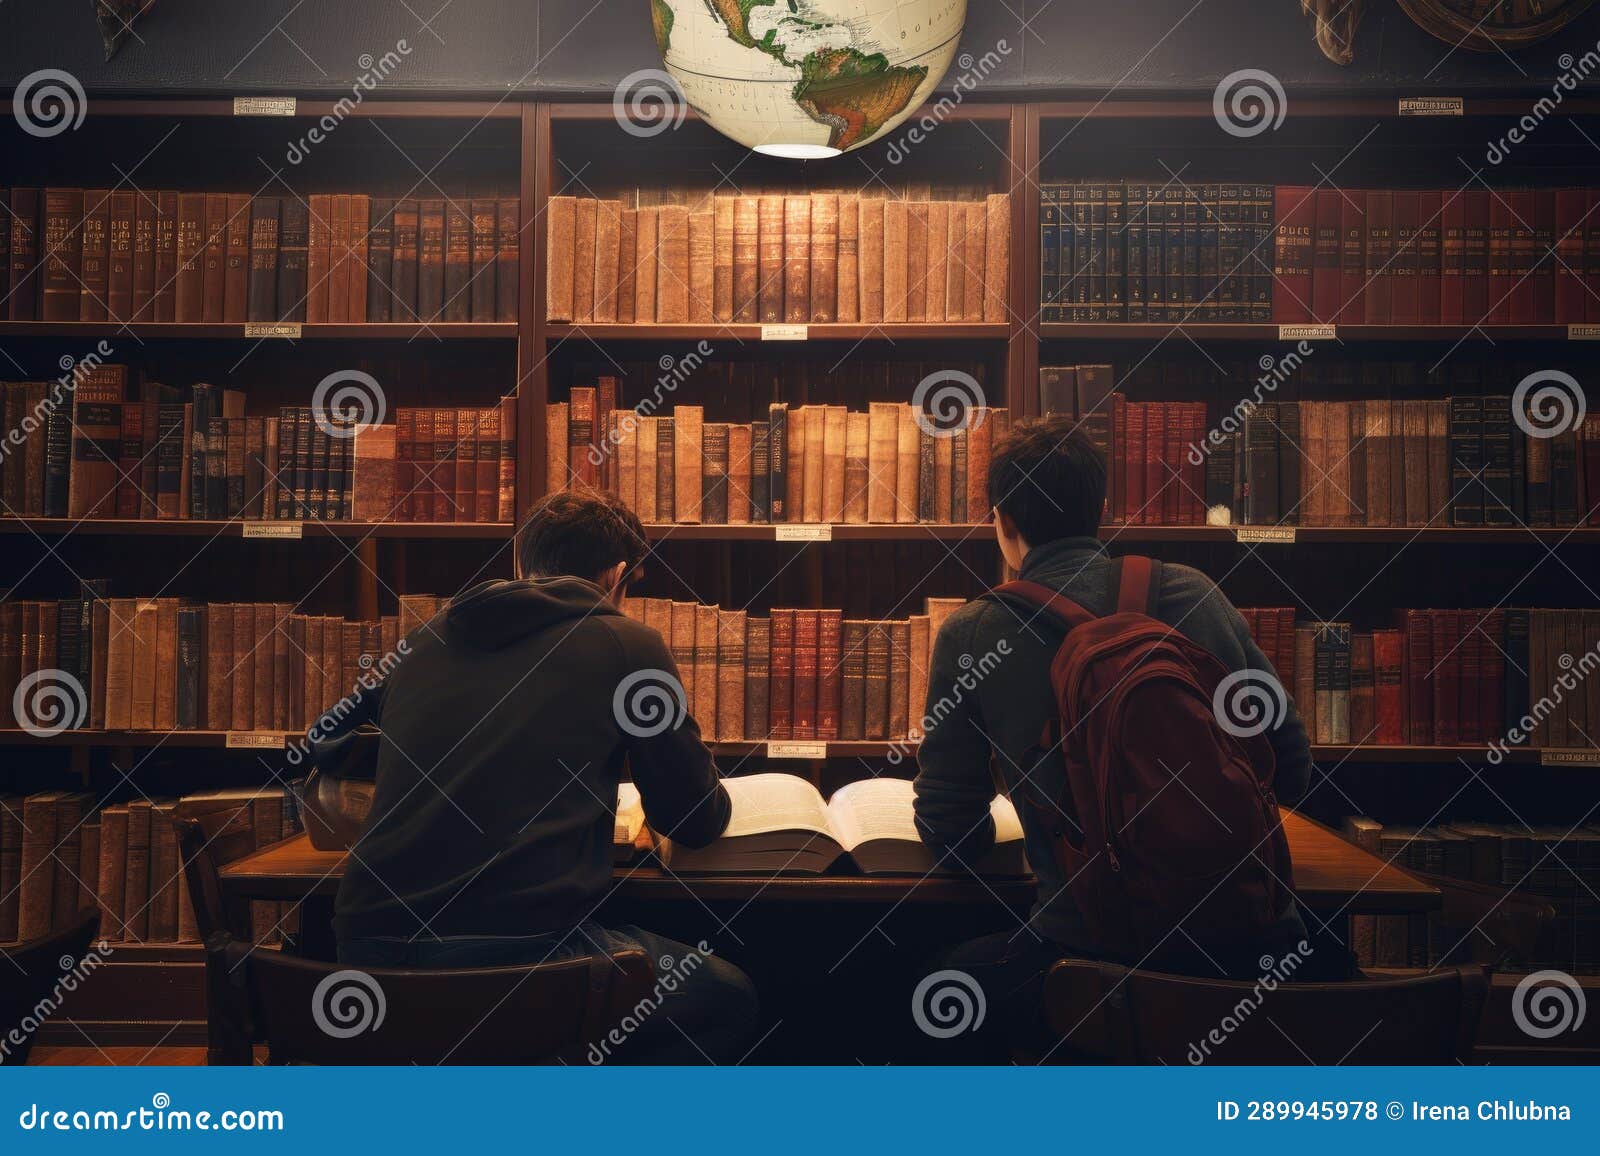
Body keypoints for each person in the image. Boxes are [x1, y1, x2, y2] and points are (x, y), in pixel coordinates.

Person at [912, 416, 1329, 1055]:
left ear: (1002, 521)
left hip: (1089, 965)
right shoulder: (1193, 593)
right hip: (1257, 956)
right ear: (1101, 511)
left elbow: (952, 831)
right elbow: (1291, 766)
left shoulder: (972, 634)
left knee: (936, 988)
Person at [332, 489, 758, 1064]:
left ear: (521, 566)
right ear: (615, 575)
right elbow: (692, 820)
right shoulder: (628, 643)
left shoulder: (423, 640)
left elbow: (325, 741)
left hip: (368, 952)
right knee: (730, 997)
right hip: (522, 958)